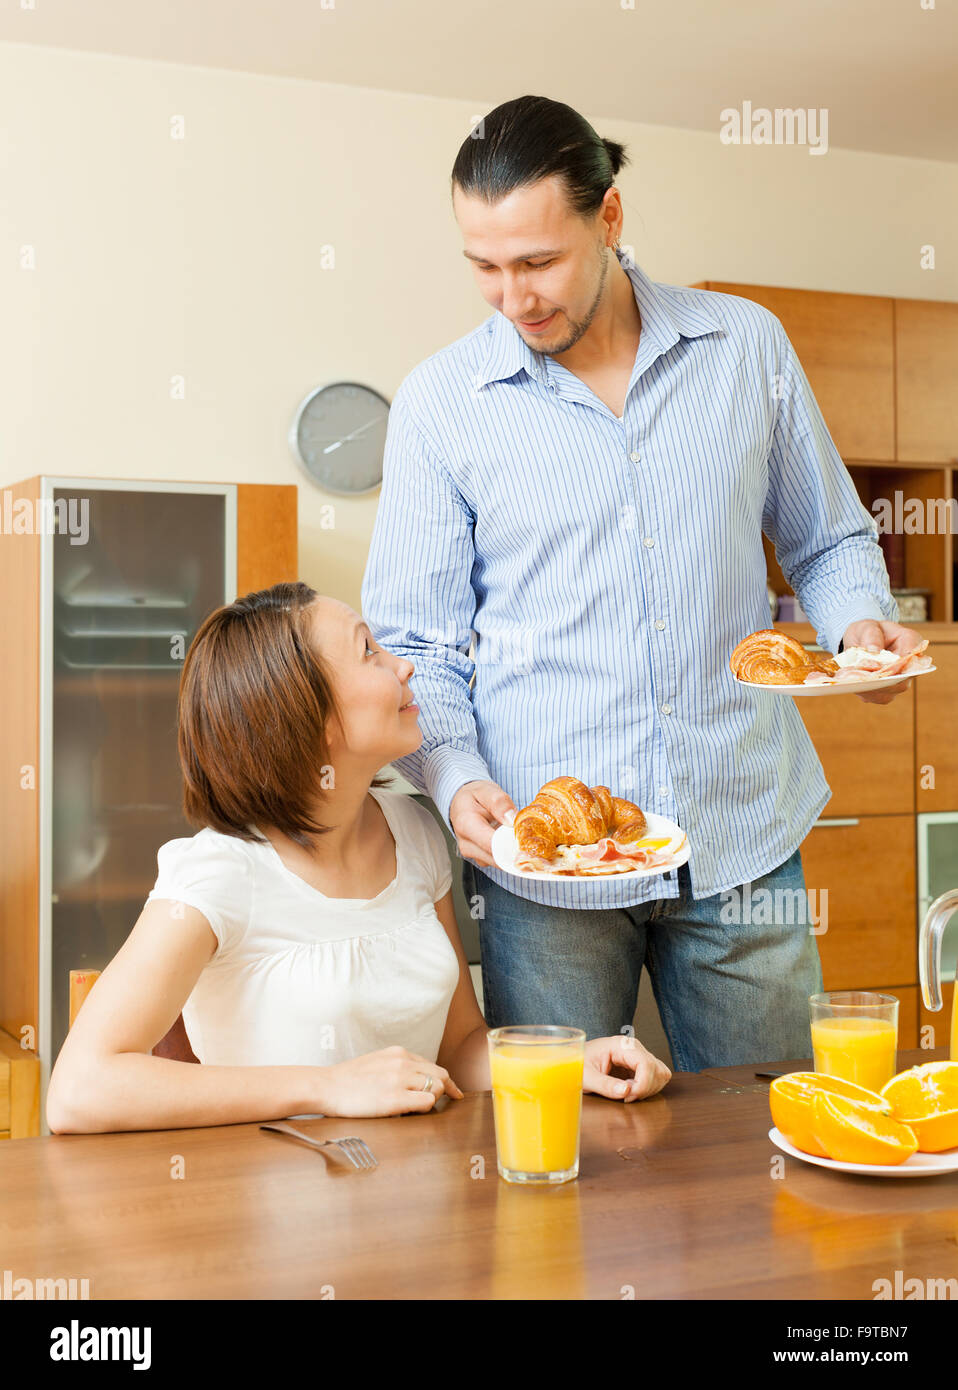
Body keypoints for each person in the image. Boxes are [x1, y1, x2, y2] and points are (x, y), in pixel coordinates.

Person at [361, 95, 923, 1071]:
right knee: (570, 1164)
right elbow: (415, 642)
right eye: (485, 267)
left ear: (610, 219)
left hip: (742, 833)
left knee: (771, 1132)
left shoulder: (745, 348)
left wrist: (860, 629)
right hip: (546, 864)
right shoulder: (440, 406)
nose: (513, 295)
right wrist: (454, 779)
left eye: (538, 261)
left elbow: (828, 539)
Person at [45, 582, 669, 1134]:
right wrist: (327, 1087)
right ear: (308, 717)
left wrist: (570, 1062)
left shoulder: (414, 833)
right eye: (370, 650)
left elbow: (459, 1048)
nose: (404, 669)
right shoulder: (219, 874)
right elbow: (78, 1092)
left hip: (418, 1216)